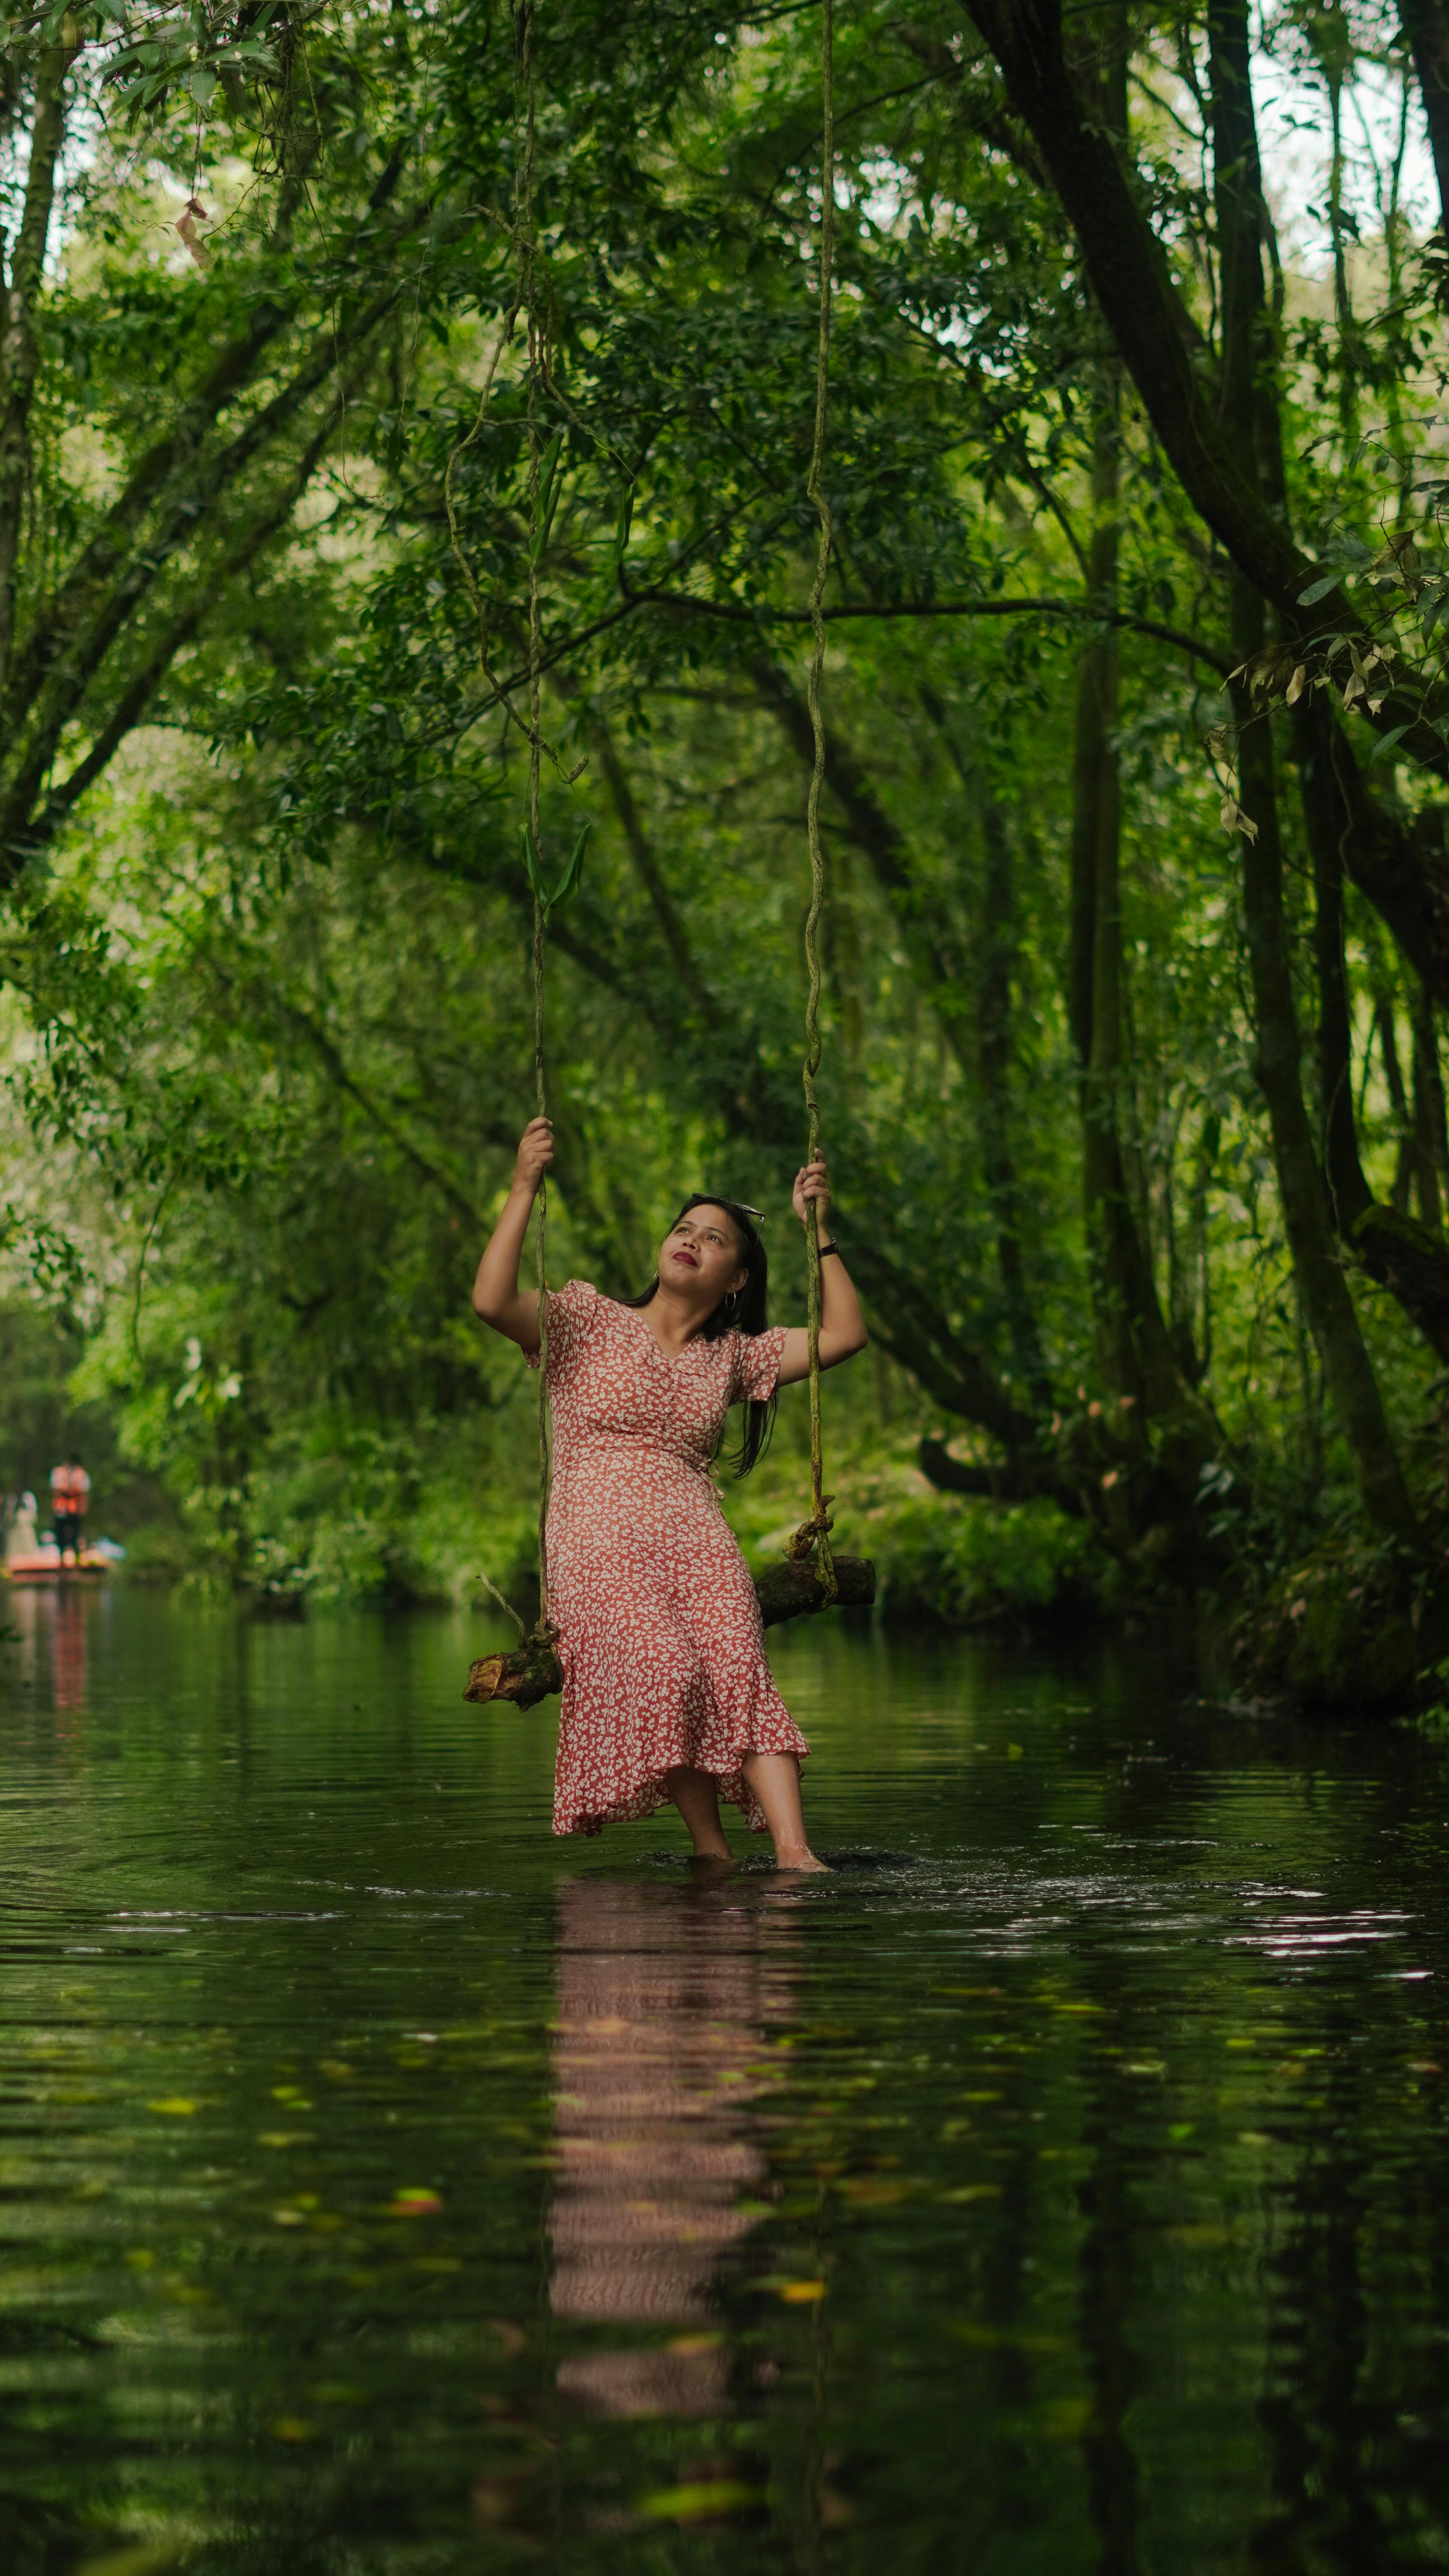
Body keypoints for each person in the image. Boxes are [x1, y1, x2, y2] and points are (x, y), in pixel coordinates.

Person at [471, 1121, 868, 1869]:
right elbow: (491, 1302)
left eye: (714, 1239)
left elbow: (845, 1335)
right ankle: (711, 1851)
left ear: (738, 1278)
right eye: (684, 1229)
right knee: (668, 1664)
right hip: (595, 1526)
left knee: (737, 1669)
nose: (691, 1240)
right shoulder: (588, 1319)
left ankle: (794, 1856)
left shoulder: (732, 1356)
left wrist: (820, 1233)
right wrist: (523, 1186)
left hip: (693, 1529)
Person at [50, 1455, 91, 1567]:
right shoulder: (59, 1472)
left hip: (75, 1510)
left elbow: (84, 1493)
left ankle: (77, 1560)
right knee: (60, 1533)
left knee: (75, 1534)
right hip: (61, 1509)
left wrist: (82, 1508)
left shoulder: (82, 1474)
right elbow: (56, 1490)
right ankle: (62, 1560)